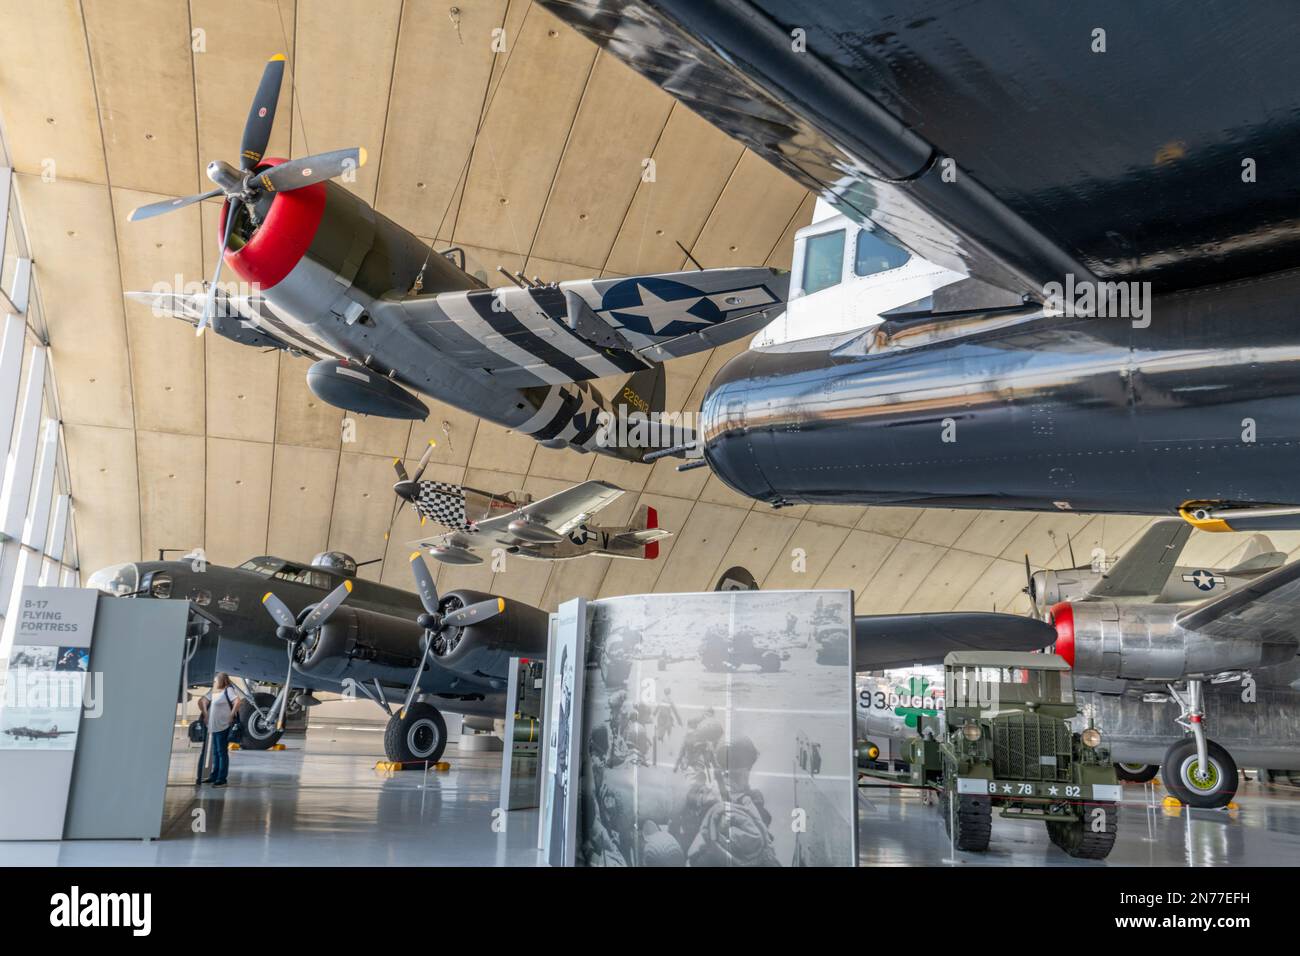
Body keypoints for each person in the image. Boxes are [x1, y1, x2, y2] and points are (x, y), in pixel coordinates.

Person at [198, 673, 241, 787]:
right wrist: (205, 714)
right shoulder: (214, 692)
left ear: (222, 680)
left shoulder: (228, 690)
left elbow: (237, 701)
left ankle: (222, 778)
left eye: (216, 680)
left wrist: (232, 714)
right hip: (213, 726)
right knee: (216, 752)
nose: (215, 682)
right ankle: (214, 775)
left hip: (223, 725)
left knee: (221, 752)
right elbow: (201, 701)